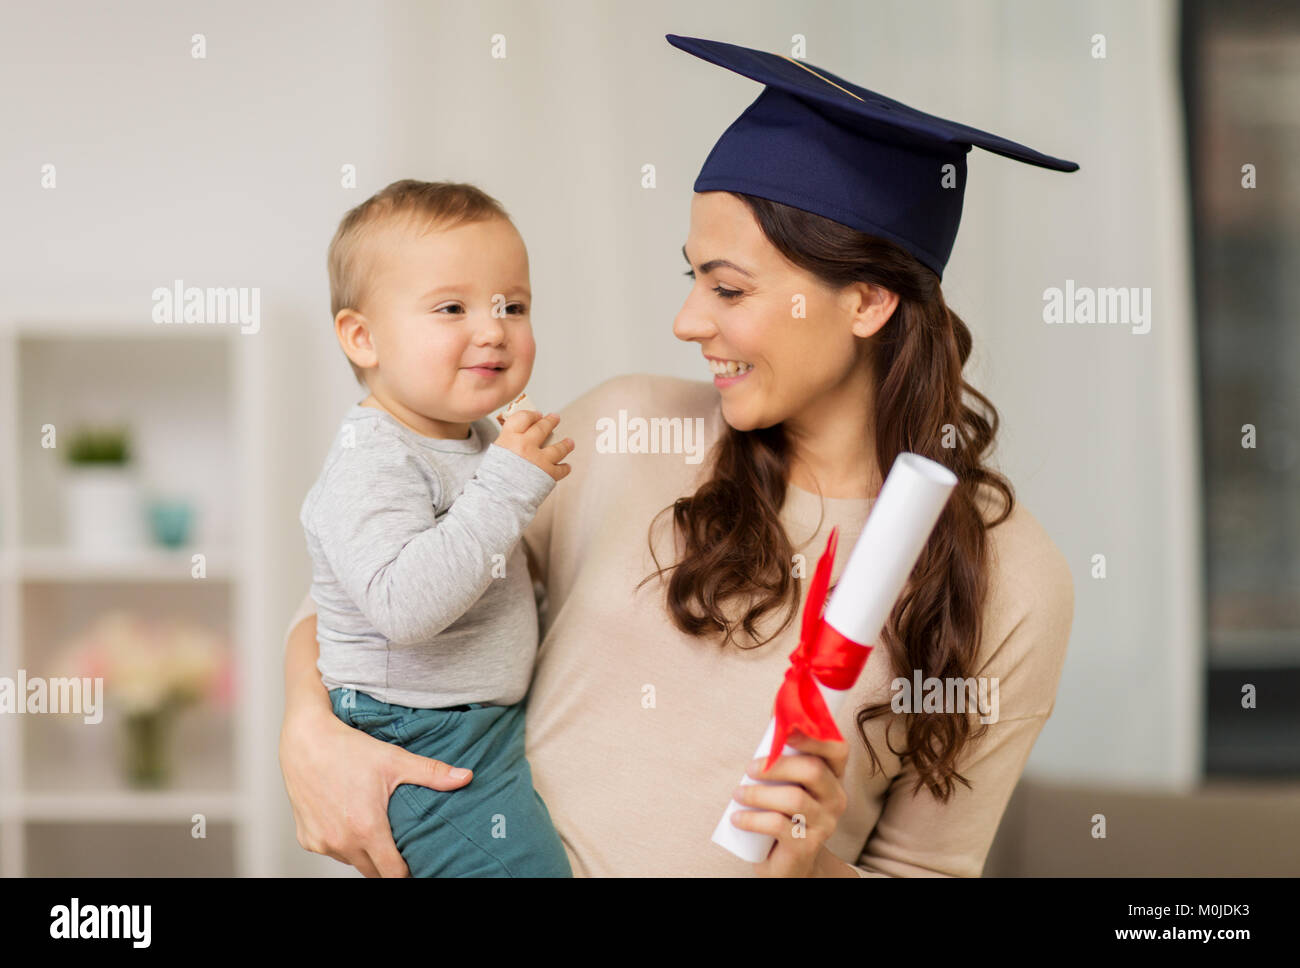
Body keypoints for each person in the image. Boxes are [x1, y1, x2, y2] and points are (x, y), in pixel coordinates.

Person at [279, 34, 1079, 877]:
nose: (688, 321)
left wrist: (814, 866)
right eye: (693, 276)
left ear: (868, 301)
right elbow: (366, 598)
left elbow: (928, 871)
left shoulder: (1011, 577)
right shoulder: (627, 432)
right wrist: (307, 729)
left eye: (729, 289)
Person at [299, 179, 575, 876]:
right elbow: (404, 606)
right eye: (451, 307)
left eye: (512, 305)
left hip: (474, 721)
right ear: (363, 338)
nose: (493, 329)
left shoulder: (475, 437)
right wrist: (511, 484)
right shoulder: (372, 458)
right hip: (416, 730)